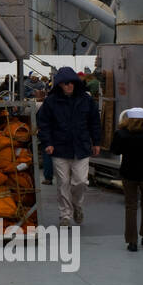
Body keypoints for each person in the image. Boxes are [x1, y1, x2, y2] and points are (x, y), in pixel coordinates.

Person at [36, 66, 101, 226]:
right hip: (60, 147)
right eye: (65, 83)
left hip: (82, 147)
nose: (69, 85)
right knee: (63, 183)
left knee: (80, 182)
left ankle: (77, 206)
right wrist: (48, 142)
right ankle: (65, 215)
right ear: (59, 84)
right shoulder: (51, 102)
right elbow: (43, 123)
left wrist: (97, 142)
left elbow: (94, 122)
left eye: (71, 83)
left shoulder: (86, 100)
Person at [110, 106, 143, 251]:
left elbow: (115, 150)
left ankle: (132, 241)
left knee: (131, 206)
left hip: (129, 173)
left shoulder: (121, 134)